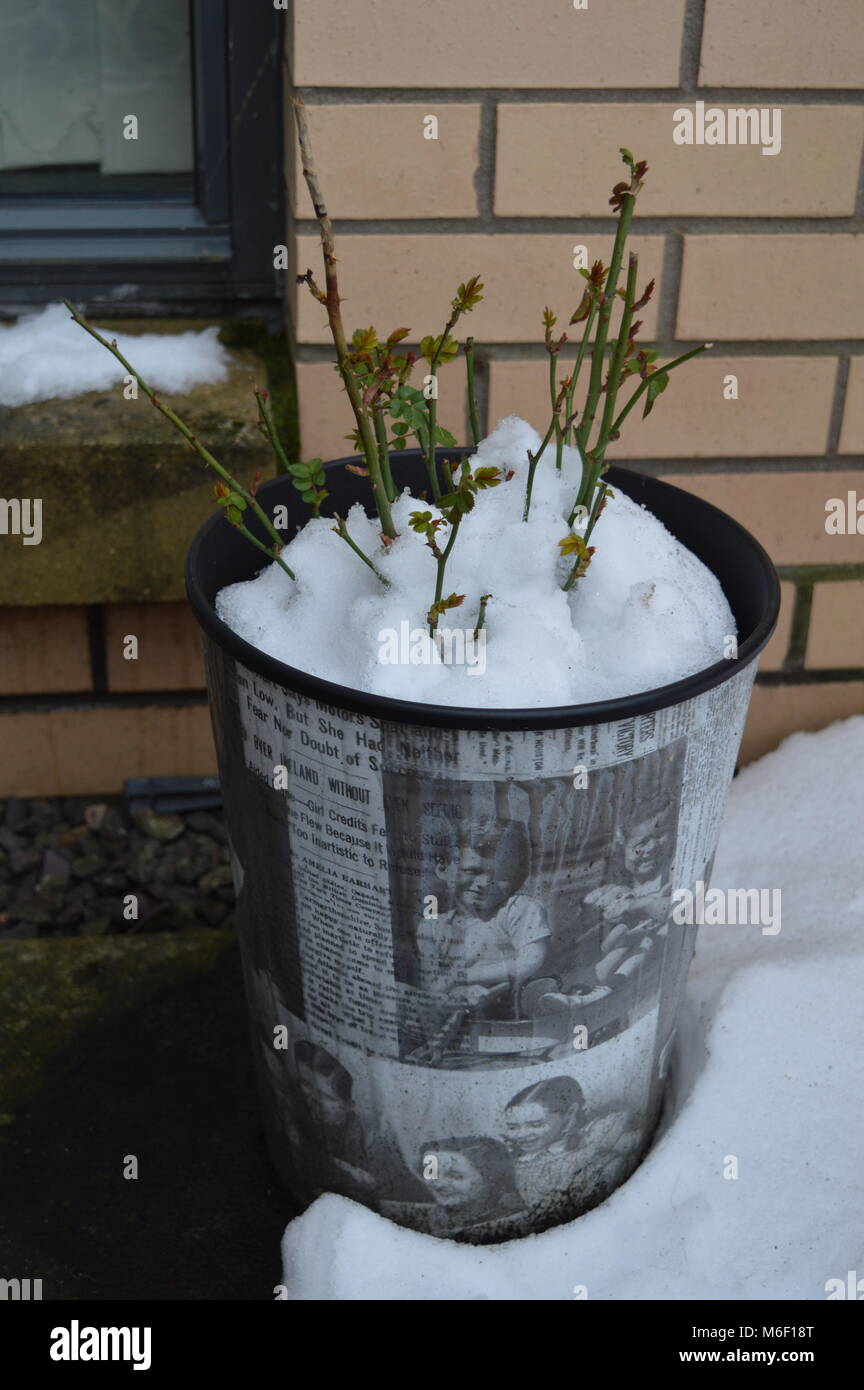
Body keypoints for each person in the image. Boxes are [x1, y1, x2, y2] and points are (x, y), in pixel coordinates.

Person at [415, 821, 551, 1016]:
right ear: (443, 869)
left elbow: (530, 961)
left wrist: (459, 977)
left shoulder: (519, 909)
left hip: (521, 1013)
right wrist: (462, 992)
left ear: (519, 875)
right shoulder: (432, 927)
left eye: (500, 873)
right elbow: (433, 987)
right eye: (472, 871)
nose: (485, 883)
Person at [502, 1076, 641, 1215]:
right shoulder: (522, 1162)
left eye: (536, 1125)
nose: (521, 1134)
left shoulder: (594, 1140)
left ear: (570, 1113)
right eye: (513, 1127)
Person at [381, 1136, 525, 1239]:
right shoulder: (438, 1214)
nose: (438, 1183)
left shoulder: (509, 1226)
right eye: (432, 1173)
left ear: (492, 1179)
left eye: (456, 1176)